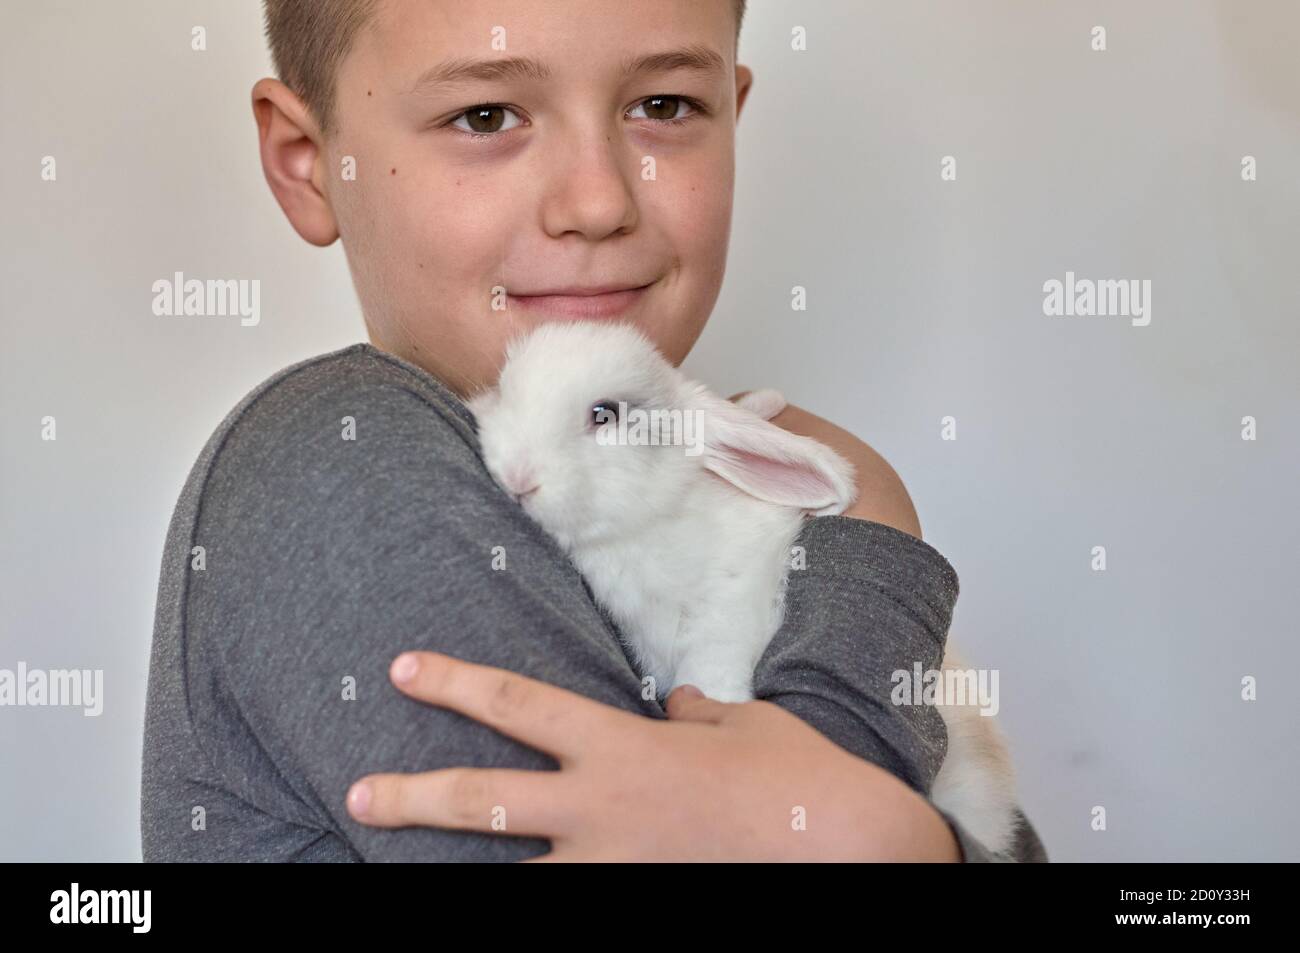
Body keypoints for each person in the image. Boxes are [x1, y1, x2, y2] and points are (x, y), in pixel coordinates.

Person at [141, 0, 1047, 862]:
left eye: (664, 105)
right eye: (488, 115)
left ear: (734, 117)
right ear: (309, 162)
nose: (599, 200)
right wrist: (869, 569)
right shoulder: (340, 460)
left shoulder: (688, 499)